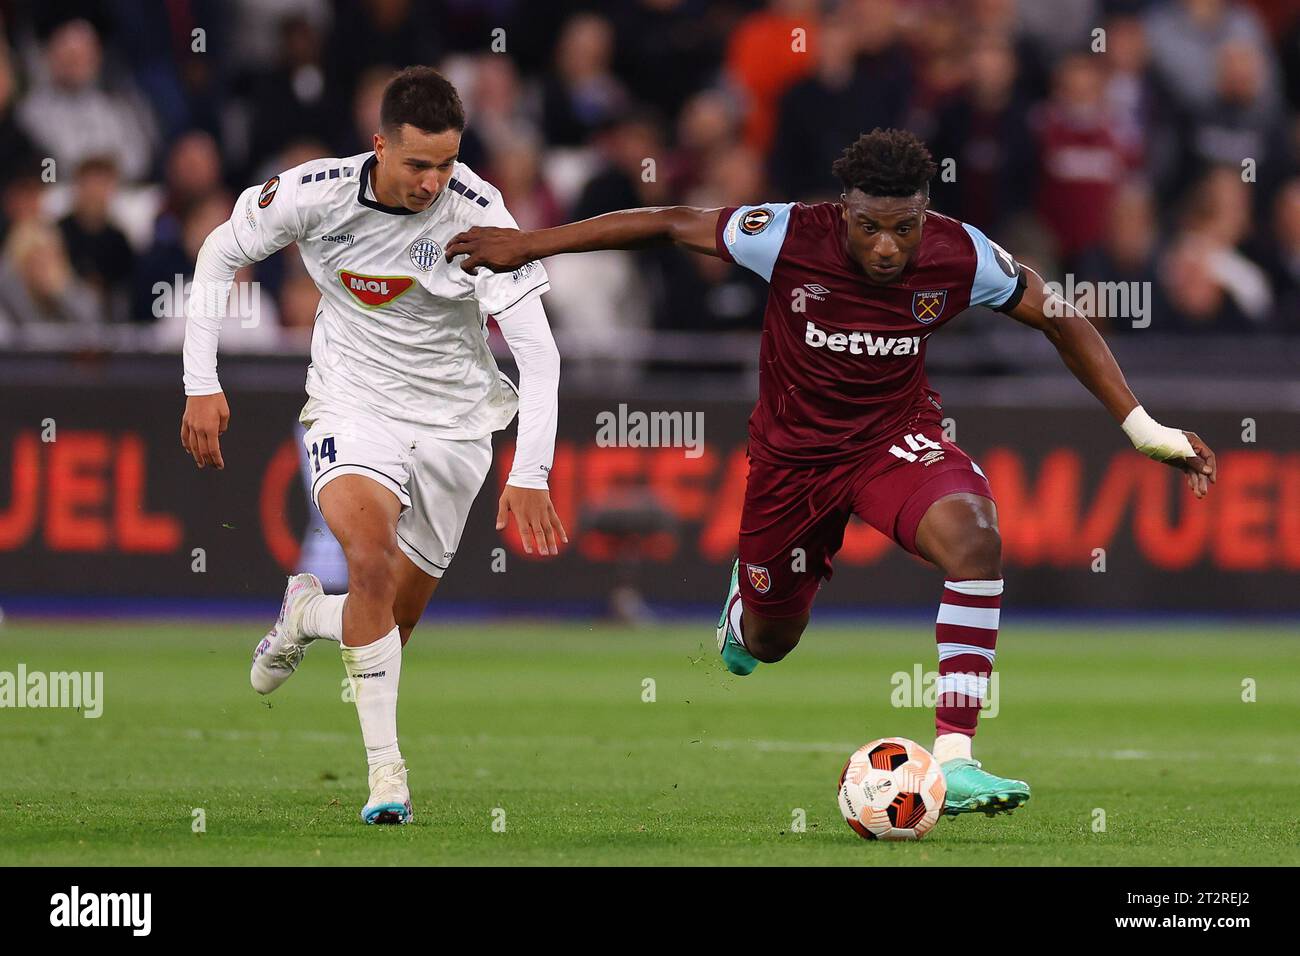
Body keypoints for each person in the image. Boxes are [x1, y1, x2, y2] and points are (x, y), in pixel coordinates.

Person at [445, 128, 1218, 817]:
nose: (887, 248)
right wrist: (530, 244)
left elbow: (1058, 315)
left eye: (904, 230)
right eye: (869, 228)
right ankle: (744, 611)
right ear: (842, 211)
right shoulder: (783, 233)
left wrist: (1141, 426)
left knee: (976, 541)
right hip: (791, 462)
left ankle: (956, 758)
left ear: (925, 217)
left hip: (893, 440)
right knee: (770, 643)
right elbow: (668, 223)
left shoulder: (963, 252)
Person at [179, 66, 565, 825]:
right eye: (417, 164)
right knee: (367, 561)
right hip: (352, 405)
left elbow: (541, 353)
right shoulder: (313, 192)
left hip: (458, 425)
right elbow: (220, 253)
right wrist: (200, 381)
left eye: (447, 164)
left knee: (391, 617)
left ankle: (304, 616)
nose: (432, 182)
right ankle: (387, 777)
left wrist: (534, 467)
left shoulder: (479, 216)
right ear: (379, 144)